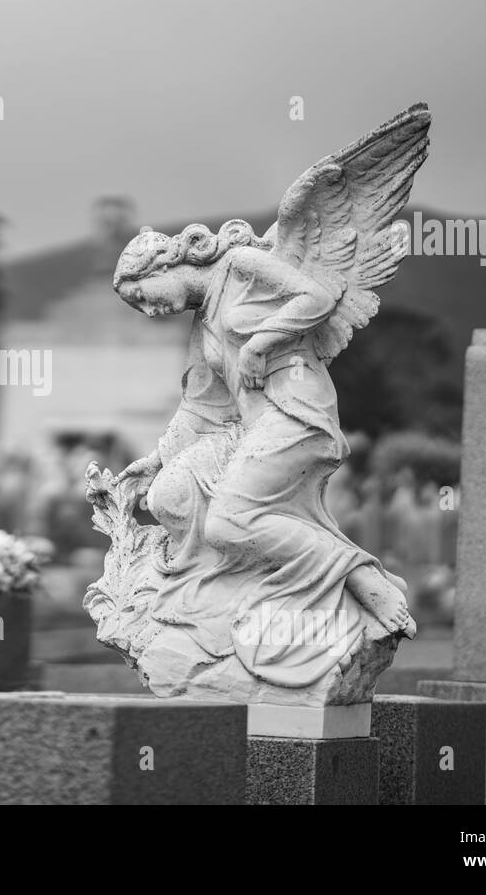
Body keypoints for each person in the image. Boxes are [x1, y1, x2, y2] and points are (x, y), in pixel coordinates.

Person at [110, 222, 414, 687]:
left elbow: (315, 297)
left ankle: (362, 580)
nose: (150, 310)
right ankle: (216, 609)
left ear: (169, 263)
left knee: (229, 521)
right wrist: (157, 460)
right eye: (141, 307)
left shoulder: (242, 266)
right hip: (252, 428)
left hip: (295, 412)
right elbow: (200, 408)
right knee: (169, 494)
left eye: (146, 295)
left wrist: (261, 341)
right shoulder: (203, 323)